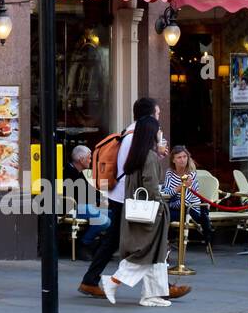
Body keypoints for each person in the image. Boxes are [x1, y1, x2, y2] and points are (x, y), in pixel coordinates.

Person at [78, 98, 190, 300]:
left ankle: (92, 279)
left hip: (124, 196)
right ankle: (155, 287)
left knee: (123, 241)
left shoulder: (131, 134)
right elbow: (137, 167)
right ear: (148, 116)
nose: (159, 118)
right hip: (128, 198)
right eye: (157, 114)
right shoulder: (134, 137)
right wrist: (156, 155)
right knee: (145, 242)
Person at [161, 145, 213, 248]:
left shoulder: (191, 175)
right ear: (173, 160)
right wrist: (178, 189)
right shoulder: (170, 173)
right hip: (176, 208)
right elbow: (165, 193)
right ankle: (164, 245)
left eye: (185, 157)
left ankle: (166, 244)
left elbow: (185, 202)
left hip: (192, 211)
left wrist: (171, 201)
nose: (182, 160)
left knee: (163, 214)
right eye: (179, 157)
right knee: (160, 214)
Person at [63, 144, 108, 248]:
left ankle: (100, 245)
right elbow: (77, 195)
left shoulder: (78, 172)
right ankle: (84, 243)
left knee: (111, 214)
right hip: (72, 208)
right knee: (105, 221)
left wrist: (102, 198)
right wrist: (98, 202)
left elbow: (90, 190)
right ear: (81, 159)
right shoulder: (68, 172)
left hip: (83, 205)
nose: (90, 160)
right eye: (89, 158)